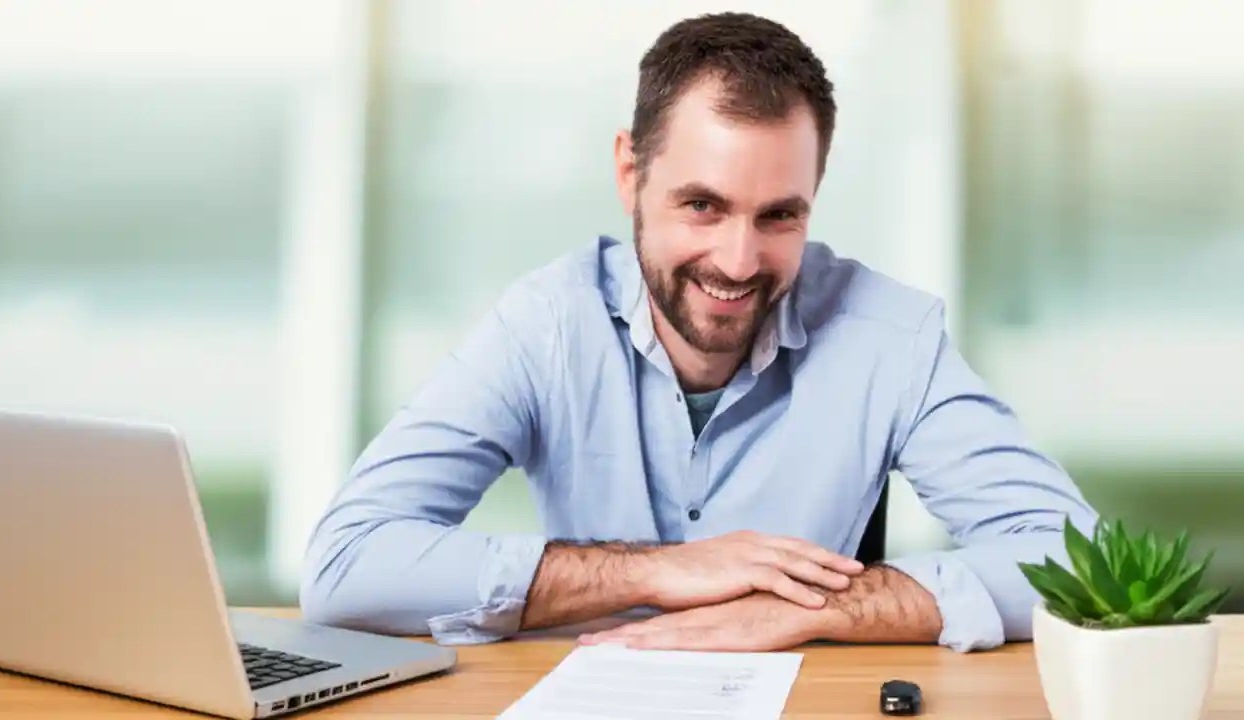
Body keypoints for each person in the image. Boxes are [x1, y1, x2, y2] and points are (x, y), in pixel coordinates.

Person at [300, 12, 1097, 653]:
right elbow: (346, 567)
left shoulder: (890, 336)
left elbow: (1080, 566)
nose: (739, 261)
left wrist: (826, 607)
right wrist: (658, 572)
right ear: (629, 175)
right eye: (702, 206)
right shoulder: (545, 326)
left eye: (779, 214)